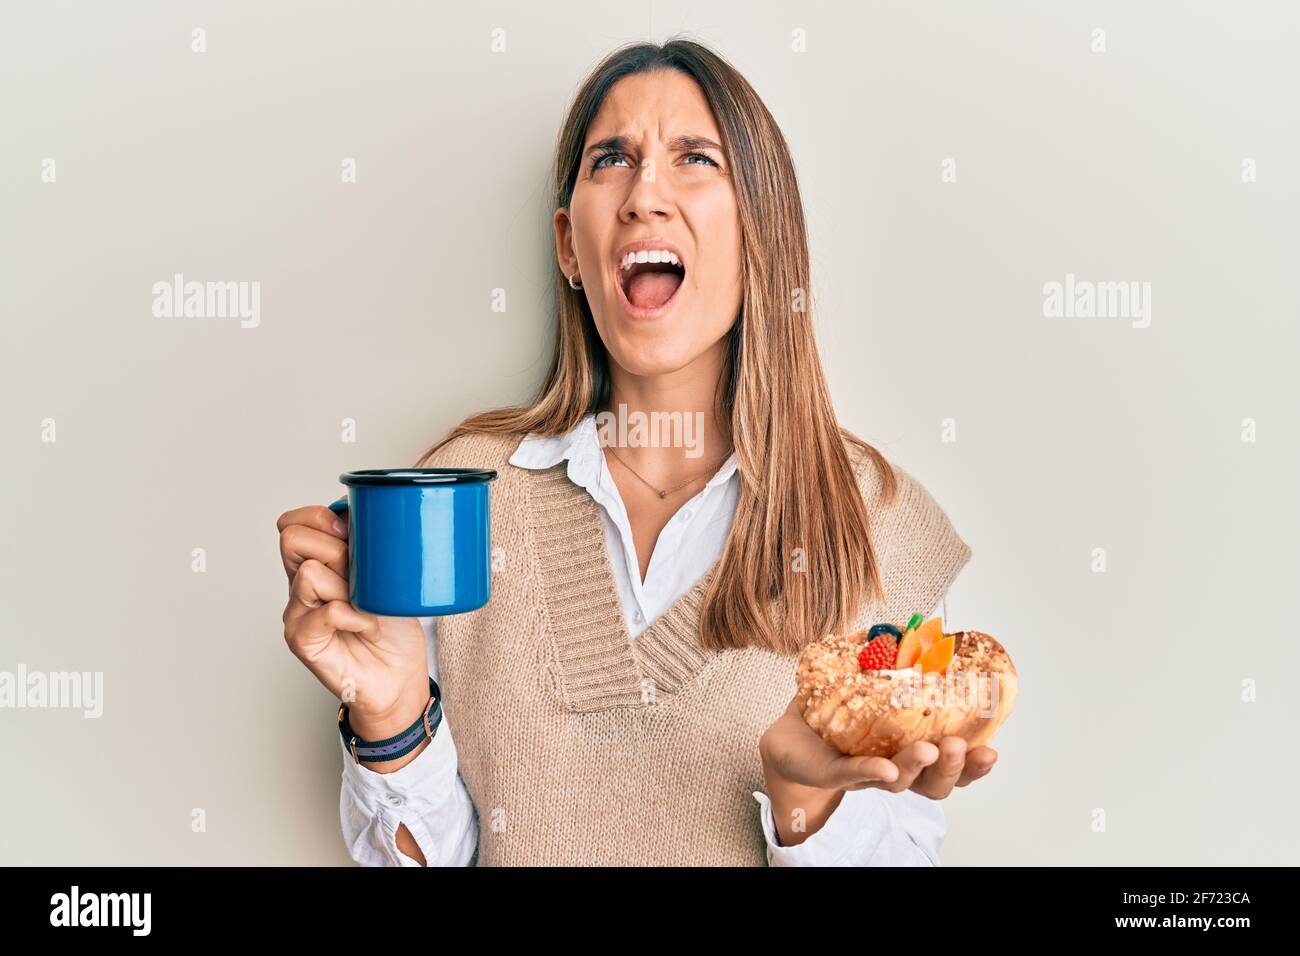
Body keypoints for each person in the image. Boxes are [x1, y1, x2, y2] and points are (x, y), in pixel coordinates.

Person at [276, 38, 996, 867]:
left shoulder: (877, 523)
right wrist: (393, 714)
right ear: (566, 247)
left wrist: (807, 805)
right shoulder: (463, 498)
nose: (644, 193)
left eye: (695, 158)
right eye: (611, 159)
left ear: (761, 230)